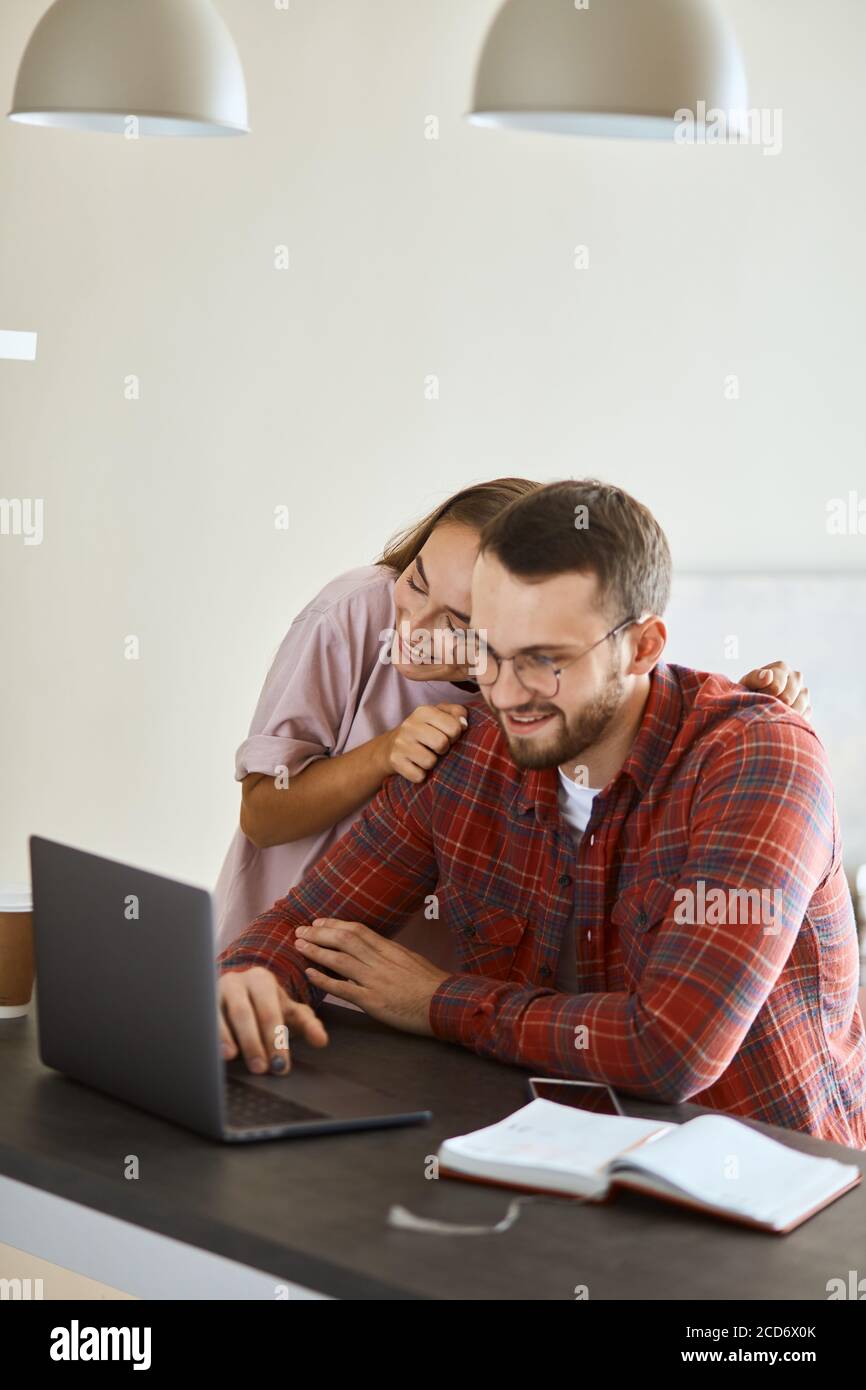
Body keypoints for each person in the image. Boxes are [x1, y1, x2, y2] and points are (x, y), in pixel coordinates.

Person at [215, 479, 865, 1147]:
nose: (507, 694)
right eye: (488, 653)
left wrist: (435, 1001)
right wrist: (246, 982)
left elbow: (671, 1048)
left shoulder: (759, 758)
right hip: (546, 1163)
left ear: (643, 647)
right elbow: (301, 923)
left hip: (773, 1189)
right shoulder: (467, 755)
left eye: (543, 662)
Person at [215, 478, 810, 973]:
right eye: (417, 581)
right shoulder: (363, 617)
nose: (414, 627)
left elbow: (623, 683)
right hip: (304, 956)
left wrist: (751, 705)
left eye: (460, 621)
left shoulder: (527, 721)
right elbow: (266, 820)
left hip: (419, 991)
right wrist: (386, 752)